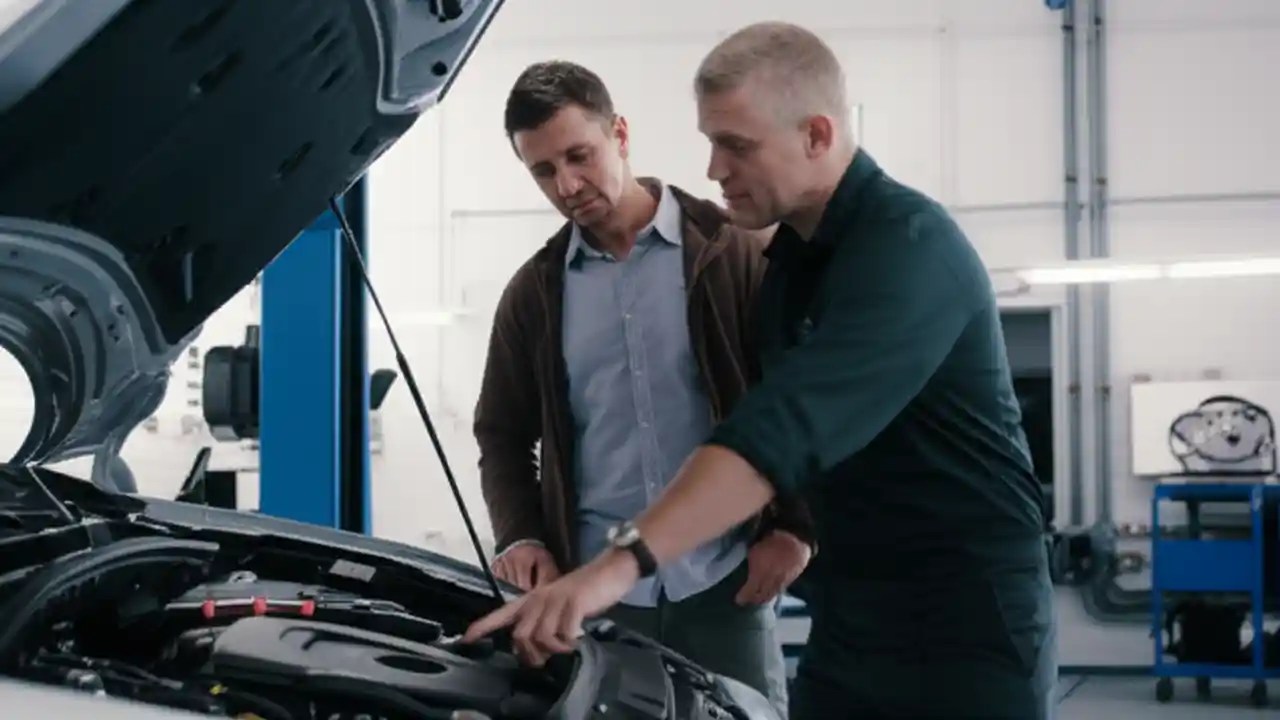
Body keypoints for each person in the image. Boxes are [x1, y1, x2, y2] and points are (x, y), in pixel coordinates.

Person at [465, 24, 1059, 720]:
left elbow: (781, 427)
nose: (714, 169)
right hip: (854, 615)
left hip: (967, 627)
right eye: (711, 142)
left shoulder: (909, 250)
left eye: (736, 146)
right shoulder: (789, 267)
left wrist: (616, 567)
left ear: (816, 135)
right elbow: (504, 429)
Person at [471, 59, 816, 715]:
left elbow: (803, 397)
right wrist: (520, 535)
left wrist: (798, 527)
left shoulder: (737, 251)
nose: (567, 184)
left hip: (724, 581)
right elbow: (502, 432)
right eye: (543, 170)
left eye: (580, 155)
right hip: (598, 598)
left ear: (620, 134)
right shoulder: (534, 294)